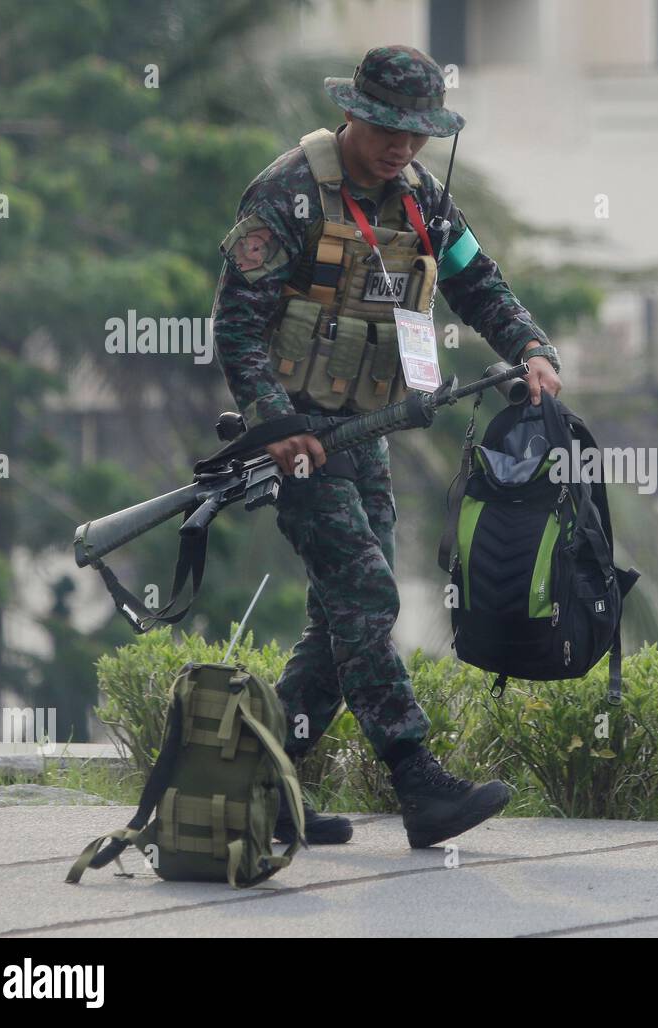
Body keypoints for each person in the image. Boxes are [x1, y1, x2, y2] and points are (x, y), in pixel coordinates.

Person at [210, 44, 562, 848]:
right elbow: (236, 326)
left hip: (363, 431)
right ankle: (419, 781)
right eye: (389, 130)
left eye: (417, 134)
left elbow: (477, 279)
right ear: (354, 114)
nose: (402, 147)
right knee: (368, 596)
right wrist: (276, 426)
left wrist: (530, 348)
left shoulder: (422, 200)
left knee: (338, 617)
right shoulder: (290, 193)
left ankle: (259, 794)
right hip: (298, 439)